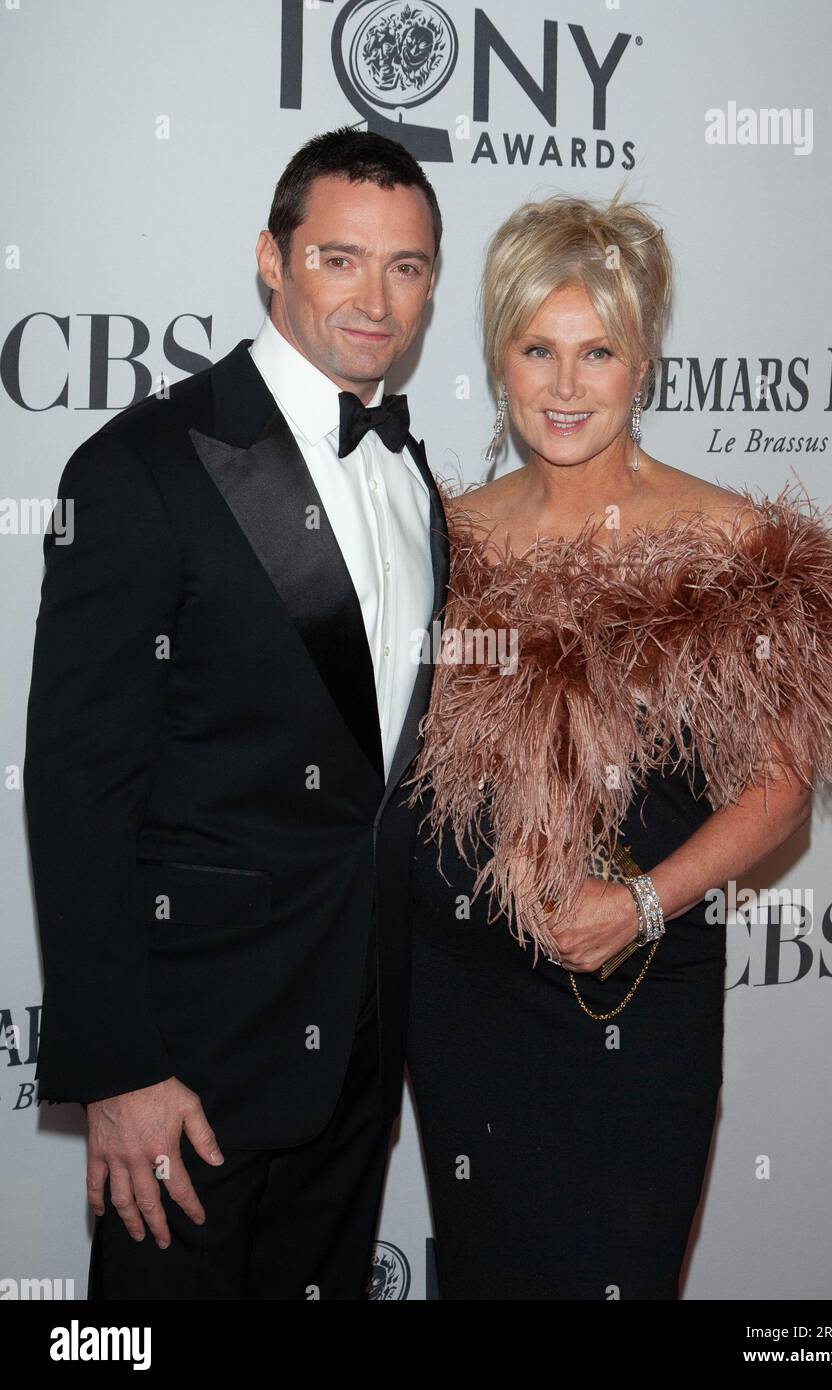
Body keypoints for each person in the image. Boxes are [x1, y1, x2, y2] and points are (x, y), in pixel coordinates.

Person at [404, 192, 832, 1300]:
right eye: (537, 348)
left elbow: (780, 793)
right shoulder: (446, 539)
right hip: (464, 995)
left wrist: (637, 905)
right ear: (499, 354)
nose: (566, 383)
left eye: (599, 350)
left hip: (639, 988)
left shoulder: (731, 544)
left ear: (642, 363)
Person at [23, 126, 448, 1300]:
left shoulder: (415, 479)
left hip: (361, 1045)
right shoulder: (141, 466)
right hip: (192, 1069)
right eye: (340, 259)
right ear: (272, 259)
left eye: (407, 267)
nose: (375, 298)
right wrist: (119, 1069)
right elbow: (75, 788)